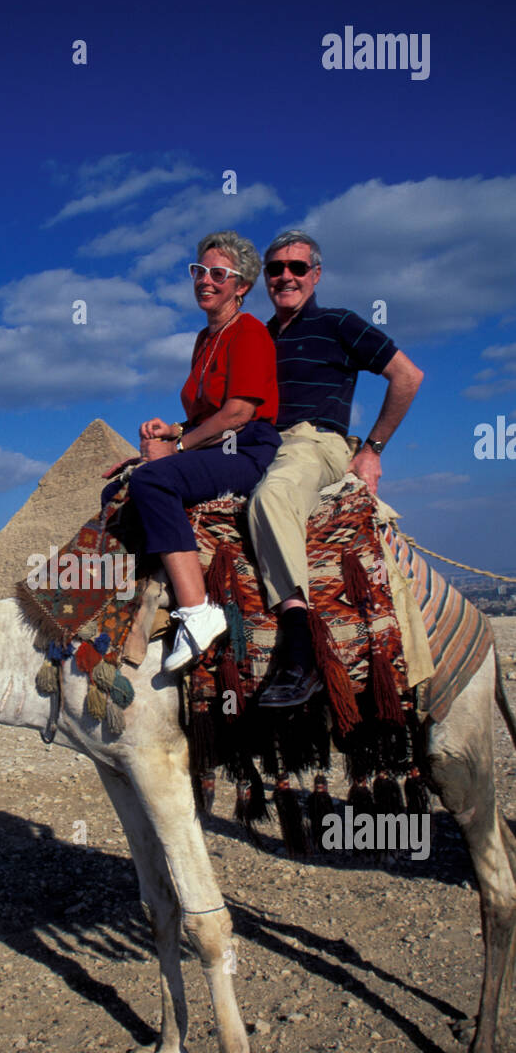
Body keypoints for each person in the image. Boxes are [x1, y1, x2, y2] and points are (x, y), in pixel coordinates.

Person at [247, 230, 424, 706]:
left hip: (312, 441)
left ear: (316, 274)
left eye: (297, 268)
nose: (286, 276)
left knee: (273, 496)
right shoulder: (257, 338)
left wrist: (373, 449)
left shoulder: (339, 323)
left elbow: (407, 375)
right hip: (254, 443)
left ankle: (300, 646)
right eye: (276, 268)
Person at [124, 231, 281, 673]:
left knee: (152, 479)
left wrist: (175, 447)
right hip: (213, 444)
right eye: (199, 271)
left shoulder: (249, 332)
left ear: (242, 286)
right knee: (120, 487)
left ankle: (197, 611)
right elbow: (203, 413)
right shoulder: (204, 339)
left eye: (218, 274)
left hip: (246, 447)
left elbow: (236, 414)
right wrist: (171, 430)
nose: (204, 281)